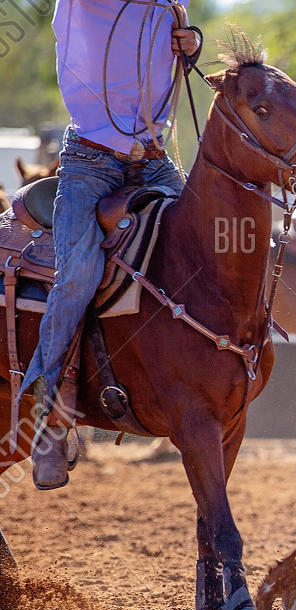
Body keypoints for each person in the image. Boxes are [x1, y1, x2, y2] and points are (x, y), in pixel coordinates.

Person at [22, 0, 197, 490]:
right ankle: (49, 424)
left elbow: (171, 47)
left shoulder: (170, 6)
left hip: (155, 160)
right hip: (90, 161)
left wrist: (191, 43)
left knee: (206, 250)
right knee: (75, 276)